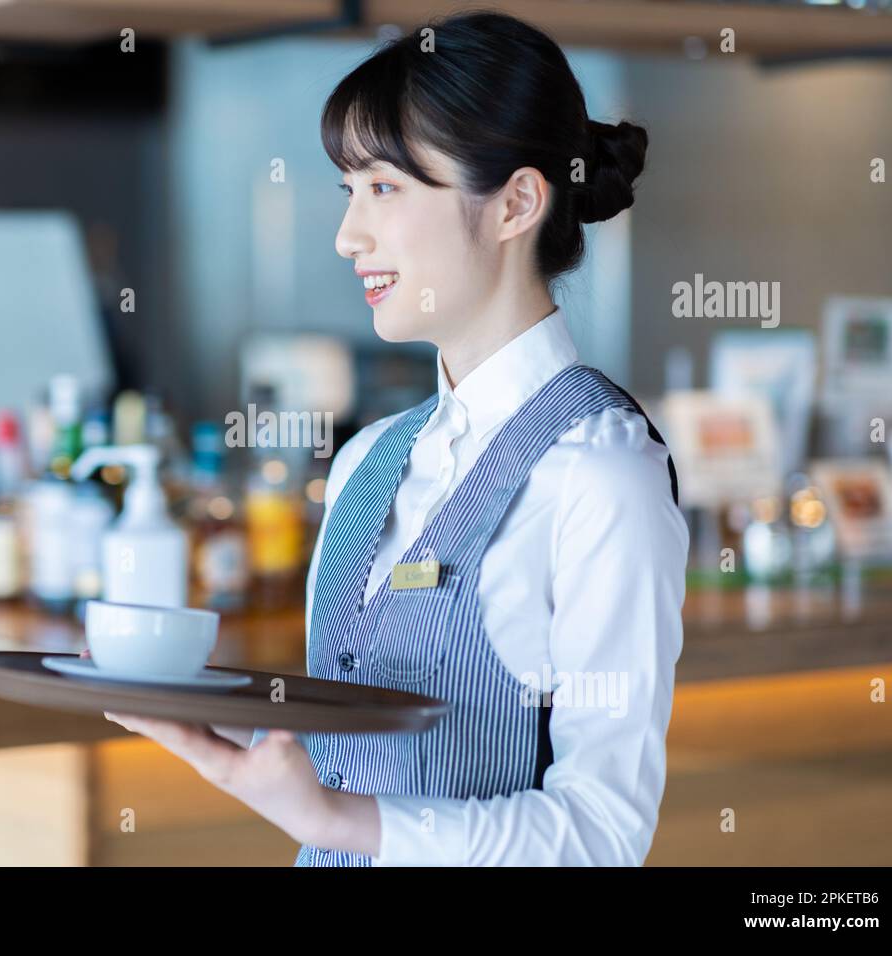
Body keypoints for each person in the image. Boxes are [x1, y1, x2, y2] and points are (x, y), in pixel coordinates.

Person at [104, 9, 689, 866]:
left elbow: (604, 838)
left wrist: (341, 821)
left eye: (386, 189)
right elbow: (350, 748)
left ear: (517, 203)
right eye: (351, 192)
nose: (349, 237)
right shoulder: (364, 463)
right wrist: (184, 703)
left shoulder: (602, 475)